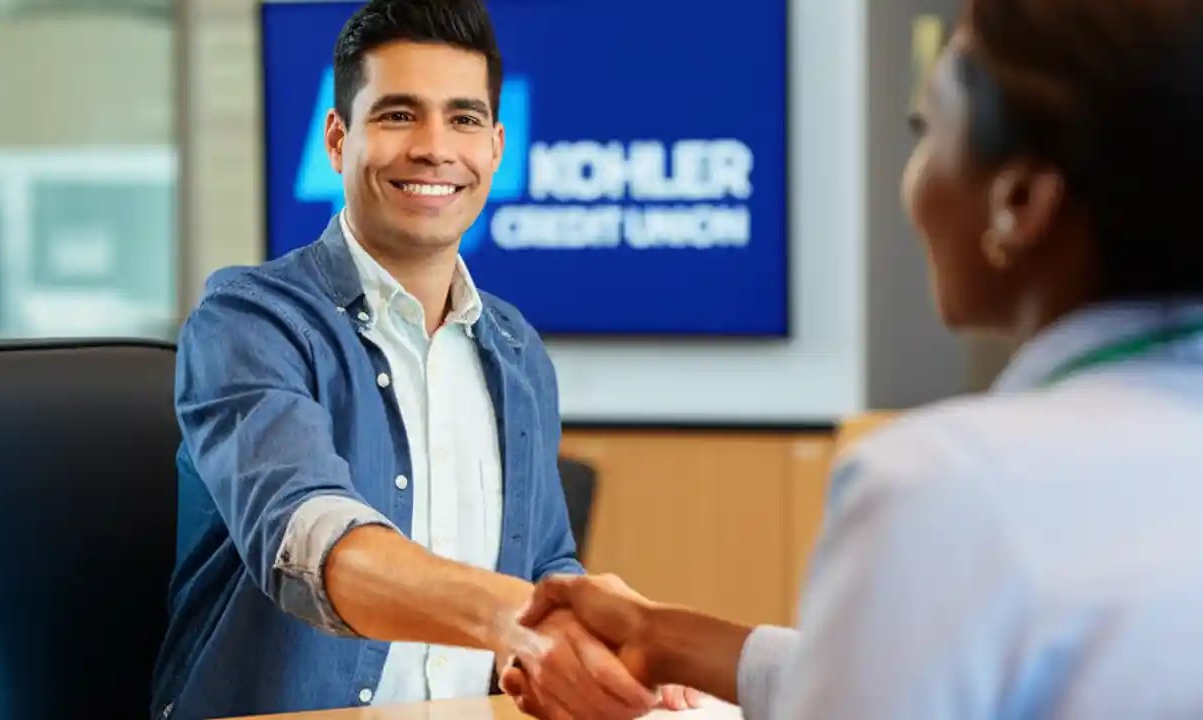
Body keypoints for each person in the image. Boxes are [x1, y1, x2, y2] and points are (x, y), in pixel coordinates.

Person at [509, 0, 1203, 717]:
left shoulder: (943, 487)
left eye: (927, 129)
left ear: (1019, 201)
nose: (913, 187)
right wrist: (669, 639)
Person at [149, 1, 694, 718]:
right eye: (399, 115)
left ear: (496, 147)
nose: (435, 147)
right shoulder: (249, 320)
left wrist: (605, 629)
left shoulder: (514, 347)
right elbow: (315, 543)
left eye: (464, 119)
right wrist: (520, 614)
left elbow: (542, 564)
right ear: (338, 141)